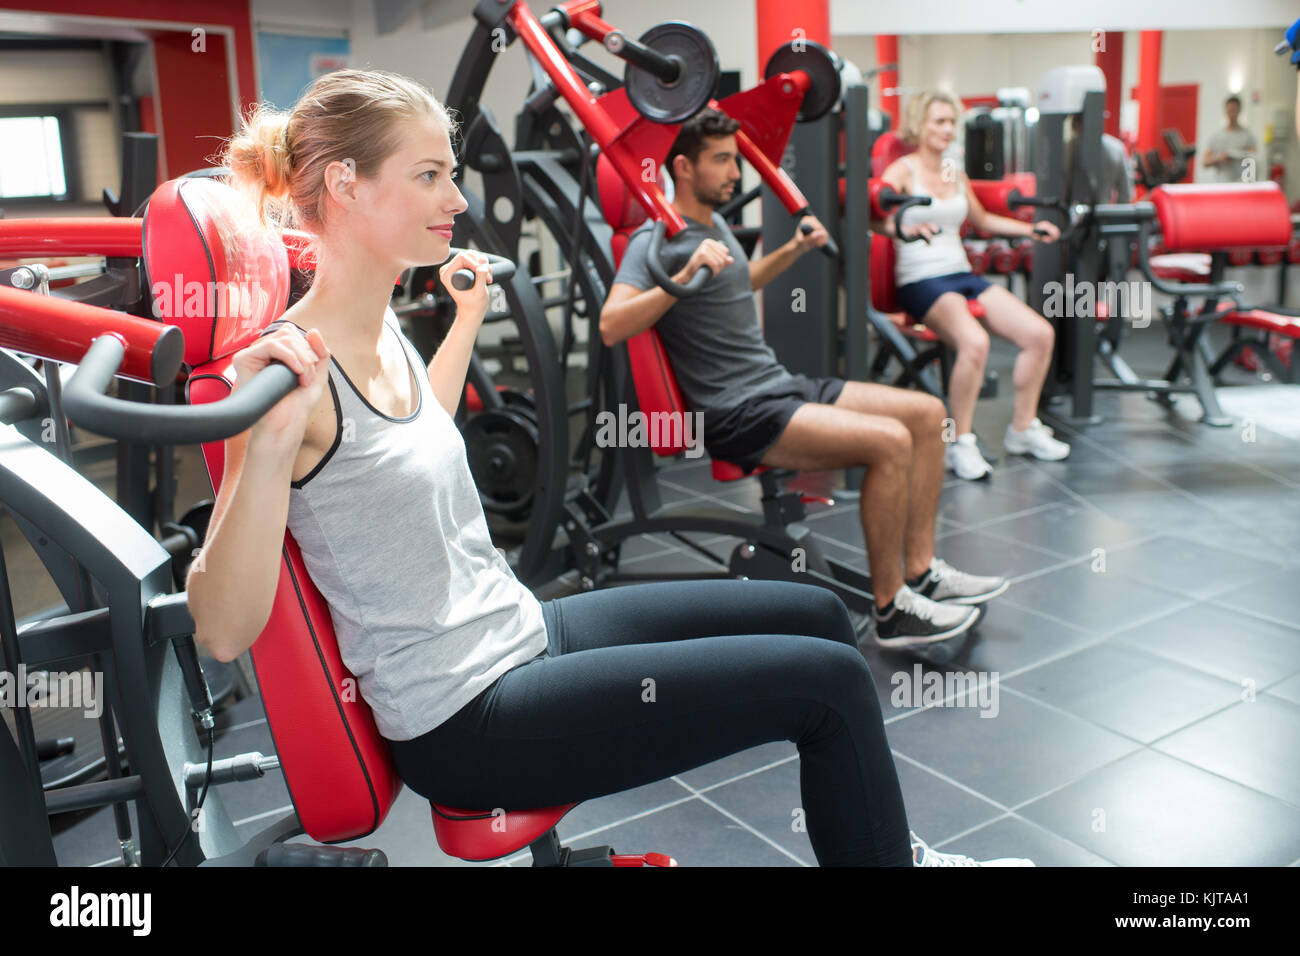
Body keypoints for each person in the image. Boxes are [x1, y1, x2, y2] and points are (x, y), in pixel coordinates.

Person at [184, 69, 1030, 868]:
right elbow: (222, 630)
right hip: (467, 718)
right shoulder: (288, 376)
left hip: (517, 634)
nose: (456, 199)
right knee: (833, 681)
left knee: (813, 611)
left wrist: (468, 318)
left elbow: (412, 437)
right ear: (346, 185)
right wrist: (262, 445)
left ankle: (879, 837)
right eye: (431, 175)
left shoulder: (380, 327)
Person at [601, 107, 1010, 648]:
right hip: (737, 411)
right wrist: (681, 276)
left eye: (734, 160)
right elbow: (611, 325)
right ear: (682, 167)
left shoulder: (712, 224)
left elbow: (737, 283)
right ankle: (892, 611)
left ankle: (921, 570)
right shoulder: (654, 242)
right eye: (722, 161)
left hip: (776, 384)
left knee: (929, 415)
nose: (734, 173)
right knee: (889, 443)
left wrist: (793, 250)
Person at [876, 90, 1071, 480]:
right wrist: (904, 226)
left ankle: (1022, 429)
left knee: (1039, 334)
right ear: (919, 125)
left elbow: (982, 221)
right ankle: (959, 443)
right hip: (920, 277)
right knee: (975, 342)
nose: (948, 129)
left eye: (952, 122)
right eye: (939, 121)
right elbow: (870, 217)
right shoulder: (903, 170)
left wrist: (1030, 229)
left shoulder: (953, 170)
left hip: (960, 273)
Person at [1202, 95, 1257, 184]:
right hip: (1221, 184)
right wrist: (1219, 158)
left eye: (1234, 109)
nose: (1232, 113)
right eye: (1230, 109)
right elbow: (1205, 162)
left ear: (1239, 110)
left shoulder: (1247, 136)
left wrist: (1240, 155)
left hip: (1241, 184)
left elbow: (1254, 157)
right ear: (1225, 110)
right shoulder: (1216, 136)